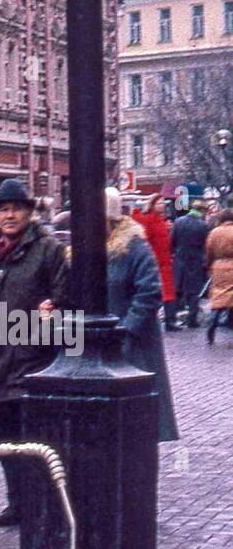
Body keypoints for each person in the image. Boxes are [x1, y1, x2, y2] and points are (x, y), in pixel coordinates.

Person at [0, 178, 68, 528]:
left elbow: (68, 305)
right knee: (5, 440)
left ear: (29, 212)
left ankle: (42, 501)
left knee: (36, 440)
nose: (9, 215)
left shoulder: (48, 250)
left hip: (34, 362)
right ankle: (17, 504)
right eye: (3, 209)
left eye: (16, 209)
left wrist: (52, 313)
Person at [105, 189, 176, 443]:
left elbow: (149, 292)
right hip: (99, 347)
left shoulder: (135, 247)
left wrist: (127, 329)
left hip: (133, 345)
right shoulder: (85, 250)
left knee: (137, 424)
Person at [132, 194, 179, 330]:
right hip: (157, 261)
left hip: (165, 261)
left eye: (163, 203)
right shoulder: (149, 221)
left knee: (168, 292)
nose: (162, 205)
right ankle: (166, 320)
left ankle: (170, 320)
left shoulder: (160, 221)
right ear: (152, 205)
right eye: (159, 203)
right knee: (161, 291)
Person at [171, 199, 210, 329]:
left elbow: (172, 241)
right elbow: (206, 245)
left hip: (180, 259)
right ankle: (192, 320)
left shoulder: (178, 222)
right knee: (193, 291)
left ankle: (171, 318)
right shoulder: (203, 226)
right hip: (196, 261)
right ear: (202, 210)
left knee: (177, 290)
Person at [204, 208, 233, 346]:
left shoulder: (214, 232)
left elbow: (209, 251)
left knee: (218, 296)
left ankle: (213, 321)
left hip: (218, 266)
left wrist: (210, 265)